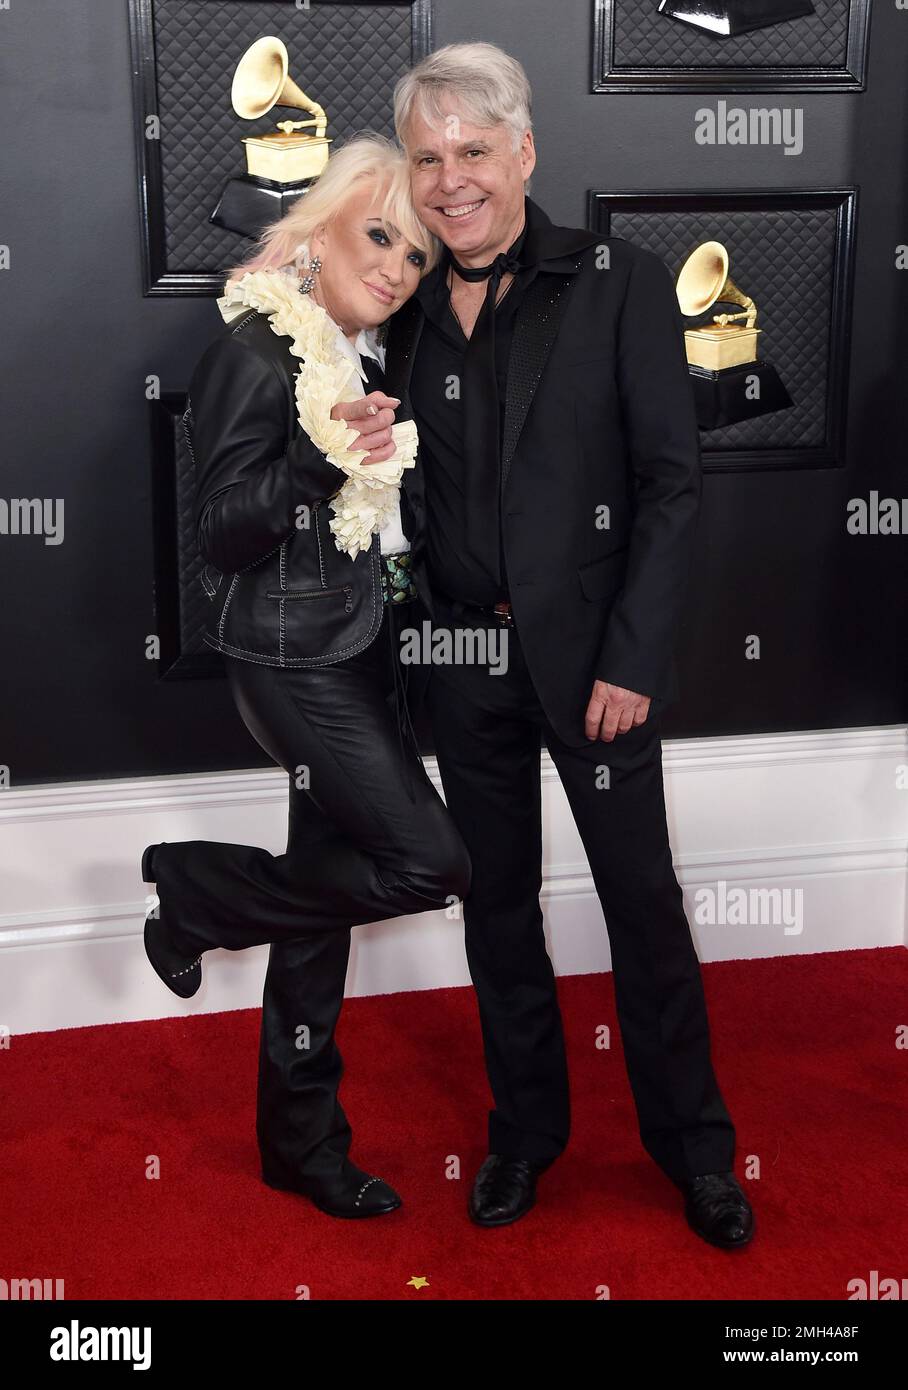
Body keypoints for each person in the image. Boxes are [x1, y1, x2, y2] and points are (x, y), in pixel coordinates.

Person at [383, 43, 754, 1248]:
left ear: (523, 151)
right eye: (428, 159)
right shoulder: (401, 301)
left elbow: (669, 484)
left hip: (597, 670)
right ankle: (523, 1137)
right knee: (497, 916)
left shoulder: (618, 282)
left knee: (640, 909)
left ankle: (694, 1148)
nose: (450, 182)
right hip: (463, 671)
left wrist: (633, 660)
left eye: (473, 153)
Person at [141, 134, 470, 1220]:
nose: (394, 267)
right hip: (290, 661)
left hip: (362, 644)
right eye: (377, 235)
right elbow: (224, 535)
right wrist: (318, 455)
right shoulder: (257, 350)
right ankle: (191, 892)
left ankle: (301, 1141)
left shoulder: (359, 356)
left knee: (321, 899)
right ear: (316, 230)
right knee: (427, 860)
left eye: (416, 255)